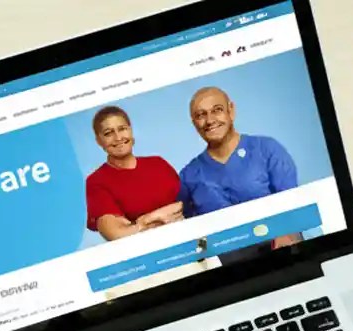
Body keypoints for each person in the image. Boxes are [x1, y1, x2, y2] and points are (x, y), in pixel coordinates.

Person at [178, 87, 303, 262]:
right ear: (194, 123)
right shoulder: (188, 175)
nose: (209, 120)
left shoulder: (266, 149)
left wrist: (286, 238)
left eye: (217, 110)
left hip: (280, 253)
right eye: (201, 115)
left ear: (231, 110)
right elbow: (187, 229)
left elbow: (293, 203)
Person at [84, 105, 185, 240]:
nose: (118, 137)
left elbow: (187, 205)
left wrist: (145, 220)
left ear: (130, 131)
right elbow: (116, 234)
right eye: (108, 133)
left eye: (122, 129)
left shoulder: (158, 164)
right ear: (99, 140)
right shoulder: (97, 181)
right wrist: (160, 217)